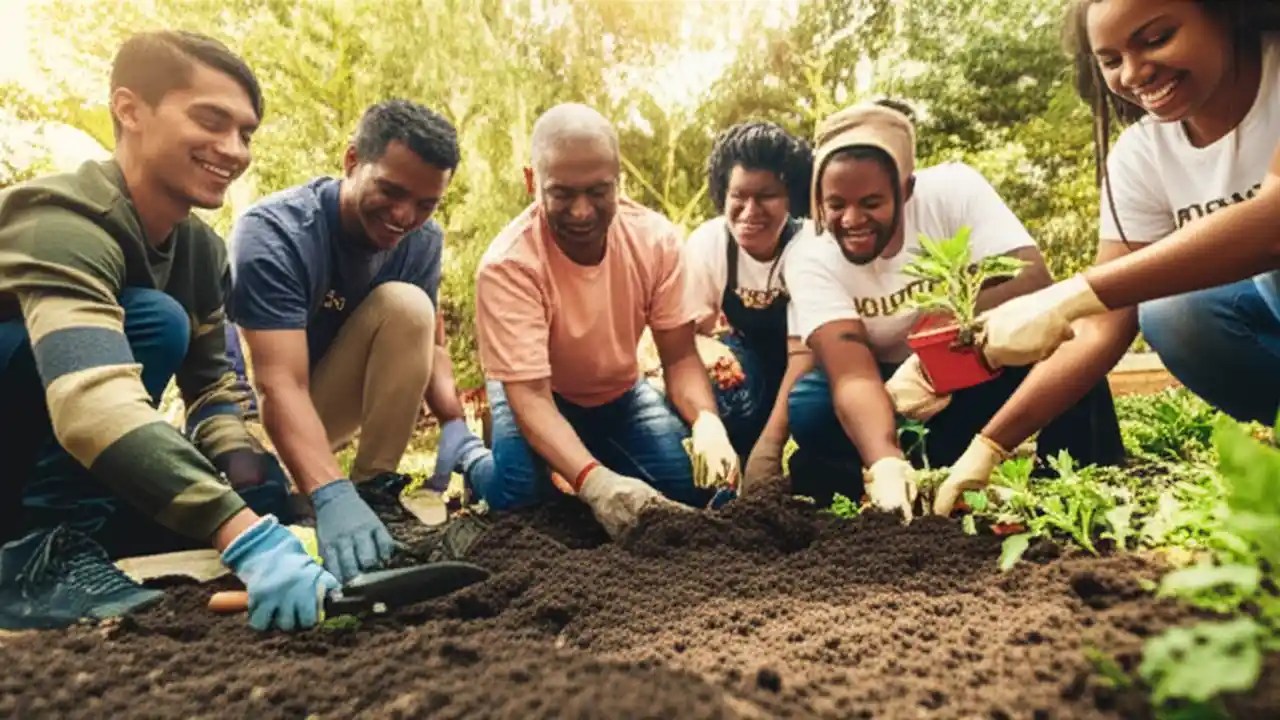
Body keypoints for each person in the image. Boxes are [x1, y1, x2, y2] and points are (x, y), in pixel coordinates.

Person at [0, 31, 336, 631]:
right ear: (130, 110)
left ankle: (76, 532)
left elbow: (210, 389)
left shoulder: (201, 253)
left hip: (60, 463)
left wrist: (243, 473)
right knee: (154, 320)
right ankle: (37, 560)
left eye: (246, 133)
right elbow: (90, 405)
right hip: (35, 432)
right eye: (211, 121)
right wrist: (240, 535)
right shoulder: (59, 219)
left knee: (255, 495)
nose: (233, 150)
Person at [932, 0, 1280, 515]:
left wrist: (1070, 294)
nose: (1134, 72)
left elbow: (1272, 224)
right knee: (1175, 312)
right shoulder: (1143, 156)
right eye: (1111, 59)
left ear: (1226, 13)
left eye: (1157, 38)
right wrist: (990, 445)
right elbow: (1103, 324)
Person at [783, 102, 1124, 519]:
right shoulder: (808, 256)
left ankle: (1082, 483)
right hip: (886, 386)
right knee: (811, 407)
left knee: (1064, 344)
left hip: (973, 359)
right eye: (835, 204)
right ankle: (896, 486)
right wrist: (885, 460)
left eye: (871, 202)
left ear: (906, 191)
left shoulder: (953, 191)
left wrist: (936, 361)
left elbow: (1031, 281)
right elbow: (851, 371)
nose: (852, 219)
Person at [460, 103, 739, 538]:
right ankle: (470, 456)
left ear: (617, 181)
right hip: (535, 390)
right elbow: (530, 396)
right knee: (517, 498)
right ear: (532, 182)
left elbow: (680, 357)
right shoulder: (508, 265)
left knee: (688, 490)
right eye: (563, 194)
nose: (582, 211)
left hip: (620, 392)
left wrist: (707, 422)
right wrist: (595, 482)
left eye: (598, 191)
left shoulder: (655, 241)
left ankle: (579, 455)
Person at [227, 99, 475, 583]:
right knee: (260, 501)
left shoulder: (421, 241)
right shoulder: (276, 233)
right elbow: (277, 385)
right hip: (252, 422)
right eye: (391, 190)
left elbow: (428, 340)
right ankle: (323, 495)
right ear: (351, 161)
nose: (405, 216)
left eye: (426, 204)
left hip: (322, 407)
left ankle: (375, 492)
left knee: (407, 305)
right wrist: (328, 492)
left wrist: (454, 424)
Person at [682, 122, 814, 491]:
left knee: (810, 408)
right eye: (739, 195)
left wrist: (769, 450)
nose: (750, 210)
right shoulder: (711, 243)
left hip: (806, 366)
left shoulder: (808, 248)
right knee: (729, 391)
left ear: (791, 198)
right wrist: (707, 347)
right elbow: (687, 335)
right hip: (750, 367)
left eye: (767, 196)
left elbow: (805, 355)